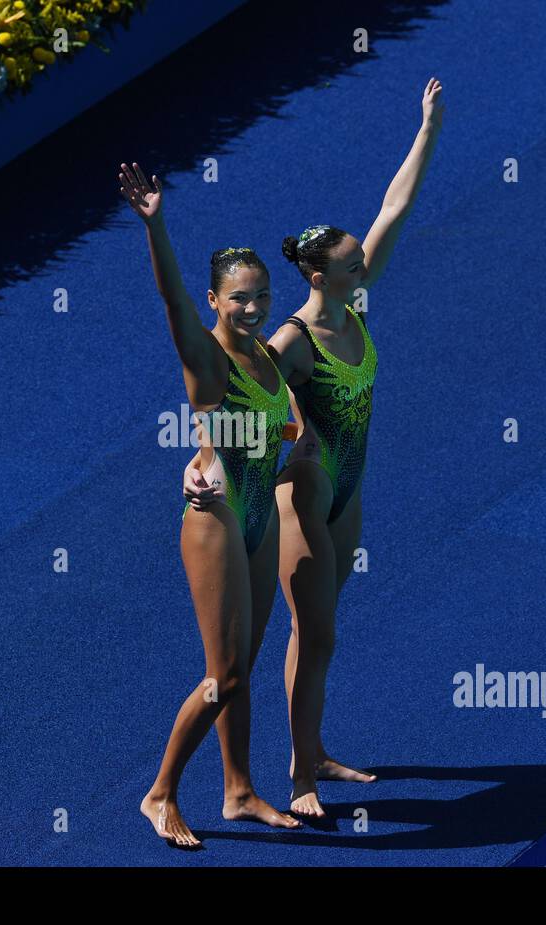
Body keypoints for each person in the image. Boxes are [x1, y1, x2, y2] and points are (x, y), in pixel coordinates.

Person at [184, 78, 445, 817]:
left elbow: (396, 208)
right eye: (354, 262)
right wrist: (203, 459)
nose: (368, 266)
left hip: (350, 492)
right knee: (312, 627)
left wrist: (427, 128)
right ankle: (291, 784)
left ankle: (312, 754)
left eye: (363, 260)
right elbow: (242, 398)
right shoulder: (291, 342)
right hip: (304, 496)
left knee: (322, 638)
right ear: (317, 275)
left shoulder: (353, 308)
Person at [118, 162, 301, 846]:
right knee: (221, 676)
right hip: (217, 525)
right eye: (237, 299)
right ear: (214, 301)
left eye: (260, 297)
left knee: (243, 671)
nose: (251, 309)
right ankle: (159, 793)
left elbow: (276, 430)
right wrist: (156, 224)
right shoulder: (210, 361)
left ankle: (239, 791)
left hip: (256, 520)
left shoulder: (267, 359)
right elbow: (171, 304)